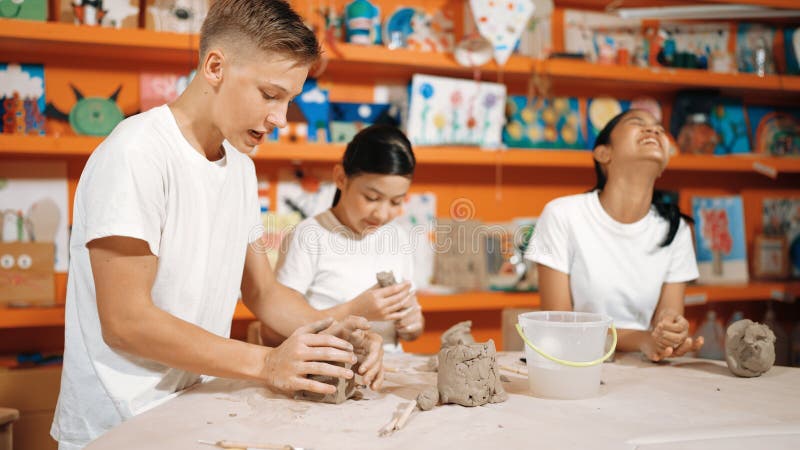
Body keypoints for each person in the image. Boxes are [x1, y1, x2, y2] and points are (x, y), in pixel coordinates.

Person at [51, 1, 383, 448]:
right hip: (118, 428)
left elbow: (262, 292)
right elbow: (125, 320)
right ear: (214, 67)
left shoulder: (240, 168)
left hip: (189, 415)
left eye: (289, 100)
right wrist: (267, 364)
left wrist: (332, 335)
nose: (280, 119)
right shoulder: (136, 154)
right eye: (269, 95)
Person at [526, 109, 704, 362]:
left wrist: (671, 334)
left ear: (664, 162)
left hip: (644, 371)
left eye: (660, 129)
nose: (654, 130)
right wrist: (642, 339)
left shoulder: (676, 228)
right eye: (637, 122)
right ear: (603, 153)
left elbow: (667, 317)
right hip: (575, 366)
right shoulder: (562, 215)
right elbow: (561, 327)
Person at [269, 124, 424, 352]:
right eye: (372, 197)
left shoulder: (398, 237)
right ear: (341, 178)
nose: (381, 214)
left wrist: (412, 325)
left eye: (396, 202)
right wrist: (355, 309)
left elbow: (410, 327)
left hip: (390, 372)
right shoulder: (310, 236)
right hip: (331, 374)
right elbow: (274, 330)